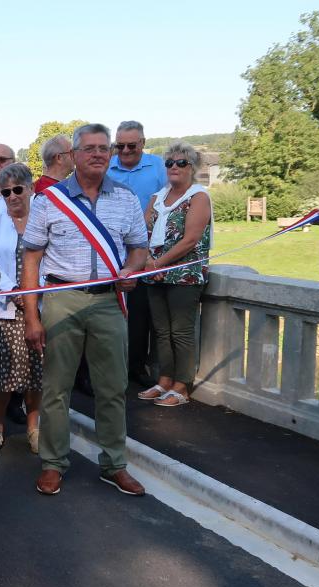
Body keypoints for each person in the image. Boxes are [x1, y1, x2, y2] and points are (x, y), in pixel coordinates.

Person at [22, 123, 149, 498]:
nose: (97, 154)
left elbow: (138, 247)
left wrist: (131, 270)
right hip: (62, 297)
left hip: (110, 301)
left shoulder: (126, 199)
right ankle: (53, 463)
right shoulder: (48, 201)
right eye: (89, 148)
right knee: (56, 388)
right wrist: (32, 316)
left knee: (112, 387)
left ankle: (114, 464)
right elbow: (30, 260)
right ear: (74, 156)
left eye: (103, 148)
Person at [136, 143, 212, 408]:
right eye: (169, 163)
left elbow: (190, 239)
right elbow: (140, 233)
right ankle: (164, 380)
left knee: (180, 331)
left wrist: (157, 264)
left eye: (181, 163)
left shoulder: (198, 196)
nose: (174, 168)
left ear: (192, 168)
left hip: (184, 275)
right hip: (155, 273)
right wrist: (147, 261)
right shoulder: (157, 198)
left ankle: (182, 386)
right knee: (161, 331)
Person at [0, 163, 42, 456]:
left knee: (36, 372)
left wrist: (31, 293)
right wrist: (13, 292)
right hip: (2, 309)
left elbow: (53, 259)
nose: (13, 196)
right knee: (0, 375)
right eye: (6, 192)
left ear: (30, 188)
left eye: (18, 189)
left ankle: (34, 426)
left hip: (37, 308)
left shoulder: (45, 219)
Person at [107, 120, 167, 386]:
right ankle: (110, 366)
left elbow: (172, 198)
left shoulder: (159, 167)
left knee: (140, 311)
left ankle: (136, 365)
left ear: (143, 143)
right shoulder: (107, 165)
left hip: (145, 248)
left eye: (132, 145)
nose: (126, 150)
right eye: (120, 145)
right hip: (109, 247)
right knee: (109, 311)